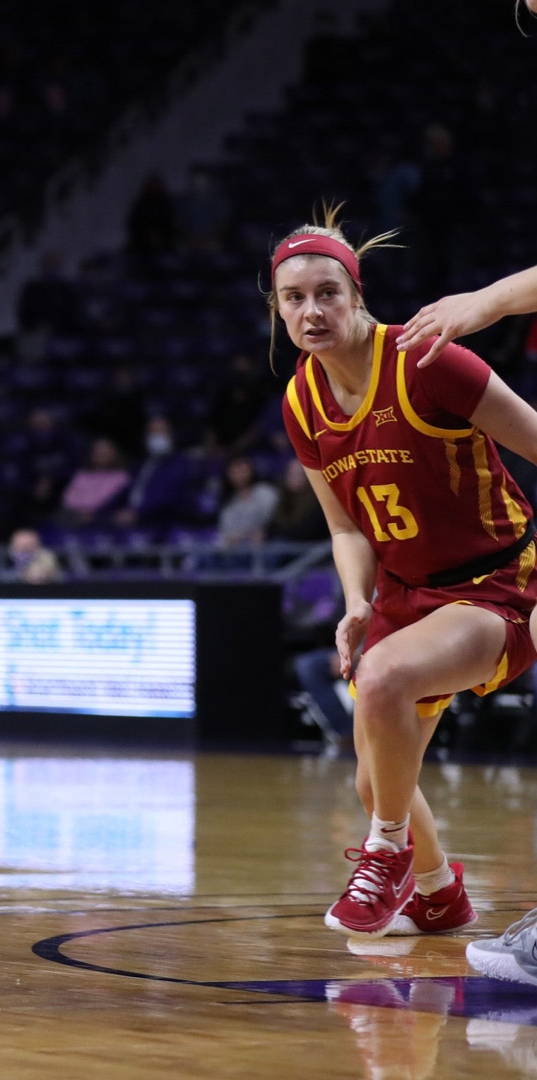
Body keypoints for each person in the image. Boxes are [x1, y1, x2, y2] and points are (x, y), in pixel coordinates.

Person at [273, 206, 537, 943]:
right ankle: (437, 892)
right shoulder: (301, 398)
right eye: (294, 299)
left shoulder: (428, 359)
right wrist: (356, 601)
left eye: (328, 292)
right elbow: (346, 525)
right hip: (401, 592)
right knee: (375, 775)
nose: (312, 311)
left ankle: (387, 853)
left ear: (358, 296)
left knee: (384, 683)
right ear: (279, 311)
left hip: (493, 582)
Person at [58, 438, 130, 527]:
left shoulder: (122, 476)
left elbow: (113, 499)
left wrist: (93, 512)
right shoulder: (82, 474)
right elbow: (68, 498)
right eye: (98, 450)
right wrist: (80, 511)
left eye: (106, 450)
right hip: (75, 515)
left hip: (102, 515)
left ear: (114, 452)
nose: (101, 454)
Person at [215, 456, 279, 548]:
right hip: (239, 551)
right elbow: (226, 536)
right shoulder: (228, 503)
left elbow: (277, 520)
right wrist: (245, 537)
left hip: (266, 545)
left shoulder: (265, 492)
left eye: (243, 470)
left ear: (251, 470)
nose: (240, 475)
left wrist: (266, 533)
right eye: (235, 472)